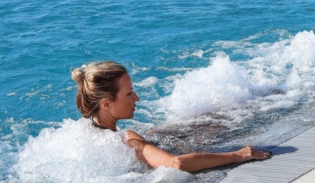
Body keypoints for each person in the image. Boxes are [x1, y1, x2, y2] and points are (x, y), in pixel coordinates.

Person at [72, 61, 271, 171]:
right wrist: (237, 155)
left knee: (213, 119)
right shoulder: (128, 140)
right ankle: (267, 96)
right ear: (106, 103)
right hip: (163, 143)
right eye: (129, 93)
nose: (137, 98)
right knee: (219, 120)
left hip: (160, 138)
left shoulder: (80, 133)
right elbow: (177, 164)